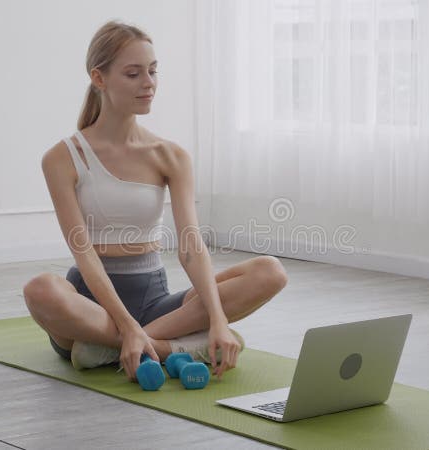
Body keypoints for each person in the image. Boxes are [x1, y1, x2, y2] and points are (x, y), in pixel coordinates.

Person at [22, 20, 288, 383]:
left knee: (270, 271)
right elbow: (83, 254)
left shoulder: (170, 155)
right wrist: (126, 324)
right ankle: (160, 345)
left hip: (155, 304)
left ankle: (121, 349)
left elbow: (191, 248)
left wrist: (218, 321)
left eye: (152, 71)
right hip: (91, 308)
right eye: (133, 74)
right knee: (40, 290)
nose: (149, 83)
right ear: (99, 79)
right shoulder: (62, 157)